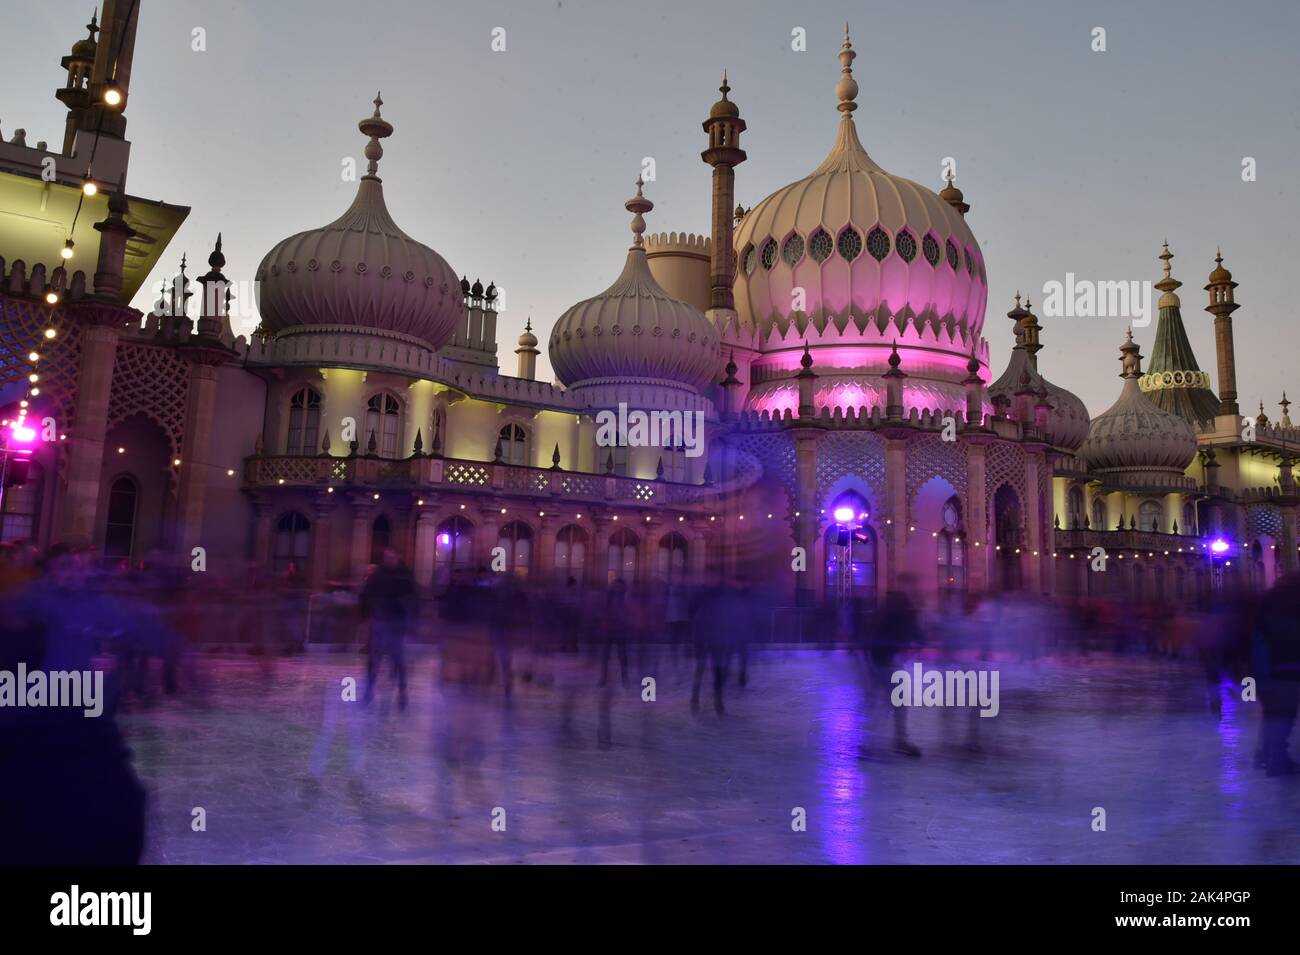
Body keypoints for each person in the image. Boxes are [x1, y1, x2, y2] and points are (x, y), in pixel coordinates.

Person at [1252, 572, 1300, 776]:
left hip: (1266, 671)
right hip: (1286, 668)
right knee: (1283, 715)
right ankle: (1276, 759)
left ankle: (1266, 754)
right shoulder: (1291, 608)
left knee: (1273, 714)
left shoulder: (1265, 605)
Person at [359, 547, 416, 709]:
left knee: (398, 660)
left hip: (396, 624)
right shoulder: (378, 575)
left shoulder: (405, 575)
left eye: (391, 557)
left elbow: (412, 600)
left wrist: (410, 622)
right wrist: (365, 614)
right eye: (386, 557)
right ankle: (369, 691)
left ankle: (402, 692)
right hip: (381, 622)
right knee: (374, 659)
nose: (389, 560)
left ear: (398, 557)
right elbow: (367, 594)